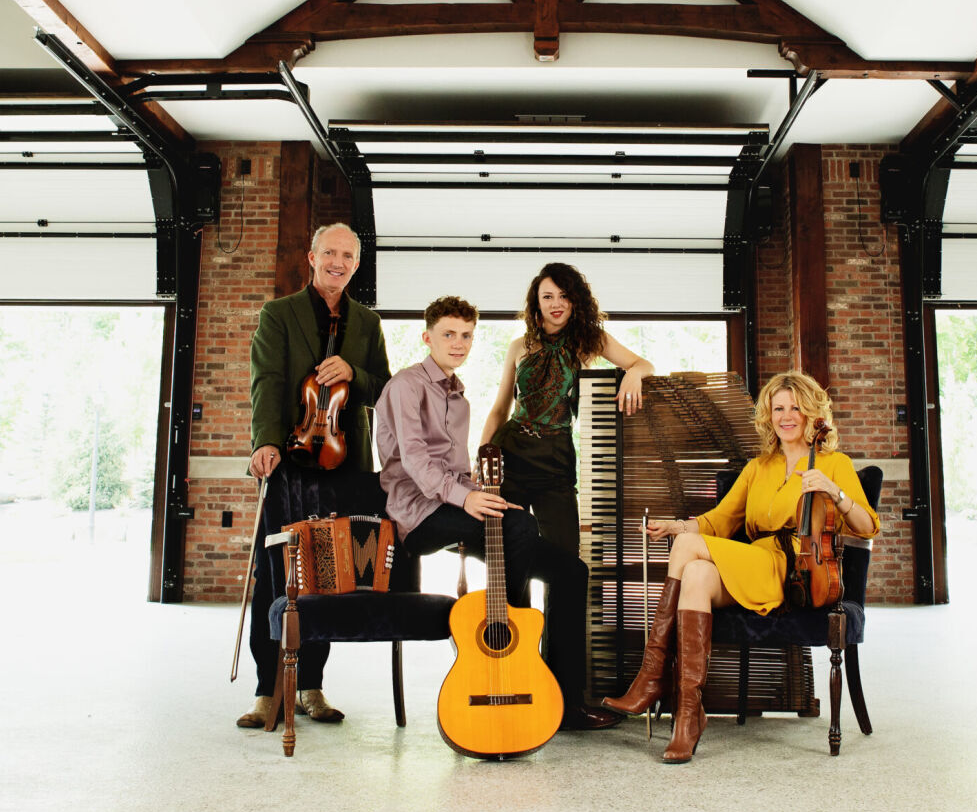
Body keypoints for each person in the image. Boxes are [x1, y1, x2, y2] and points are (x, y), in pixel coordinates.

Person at [602, 370, 879, 762]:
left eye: (795, 408)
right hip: (755, 562)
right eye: (778, 408)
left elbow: (867, 528)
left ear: (811, 413)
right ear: (769, 415)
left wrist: (835, 493)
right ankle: (688, 715)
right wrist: (676, 526)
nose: (786, 416)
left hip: (794, 570)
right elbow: (718, 520)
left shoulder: (834, 463)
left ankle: (651, 675)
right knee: (696, 572)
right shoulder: (758, 467)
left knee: (689, 552)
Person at [376, 295, 622, 732]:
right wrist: (466, 497)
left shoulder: (460, 398)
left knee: (572, 571)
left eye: (467, 335)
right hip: (417, 516)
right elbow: (414, 461)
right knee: (522, 525)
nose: (458, 343)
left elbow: (459, 468)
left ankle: (566, 704)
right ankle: (504, 650)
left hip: (455, 503)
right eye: (448, 334)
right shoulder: (406, 386)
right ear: (426, 337)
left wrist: (480, 493)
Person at [238, 222, 392, 730]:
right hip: (289, 460)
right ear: (311, 255)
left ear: (356, 263)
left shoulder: (367, 323)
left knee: (329, 576)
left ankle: (310, 686)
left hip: (345, 464)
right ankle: (267, 692)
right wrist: (263, 440)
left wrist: (355, 373)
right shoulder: (278, 314)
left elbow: (384, 390)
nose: (338, 262)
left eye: (348, 255)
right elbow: (267, 379)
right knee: (277, 575)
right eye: (330, 252)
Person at [478, 262, 653, 557]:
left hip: (556, 457)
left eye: (563, 295)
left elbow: (643, 364)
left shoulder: (590, 340)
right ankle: (513, 606)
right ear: (537, 302)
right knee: (508, 552)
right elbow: (499, 409)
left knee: (566, 555)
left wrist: (633, 375)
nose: (556, 304)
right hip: (510, 454)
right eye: (547, 297)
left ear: (575, 300)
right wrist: (482, 461)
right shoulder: (519, 346)